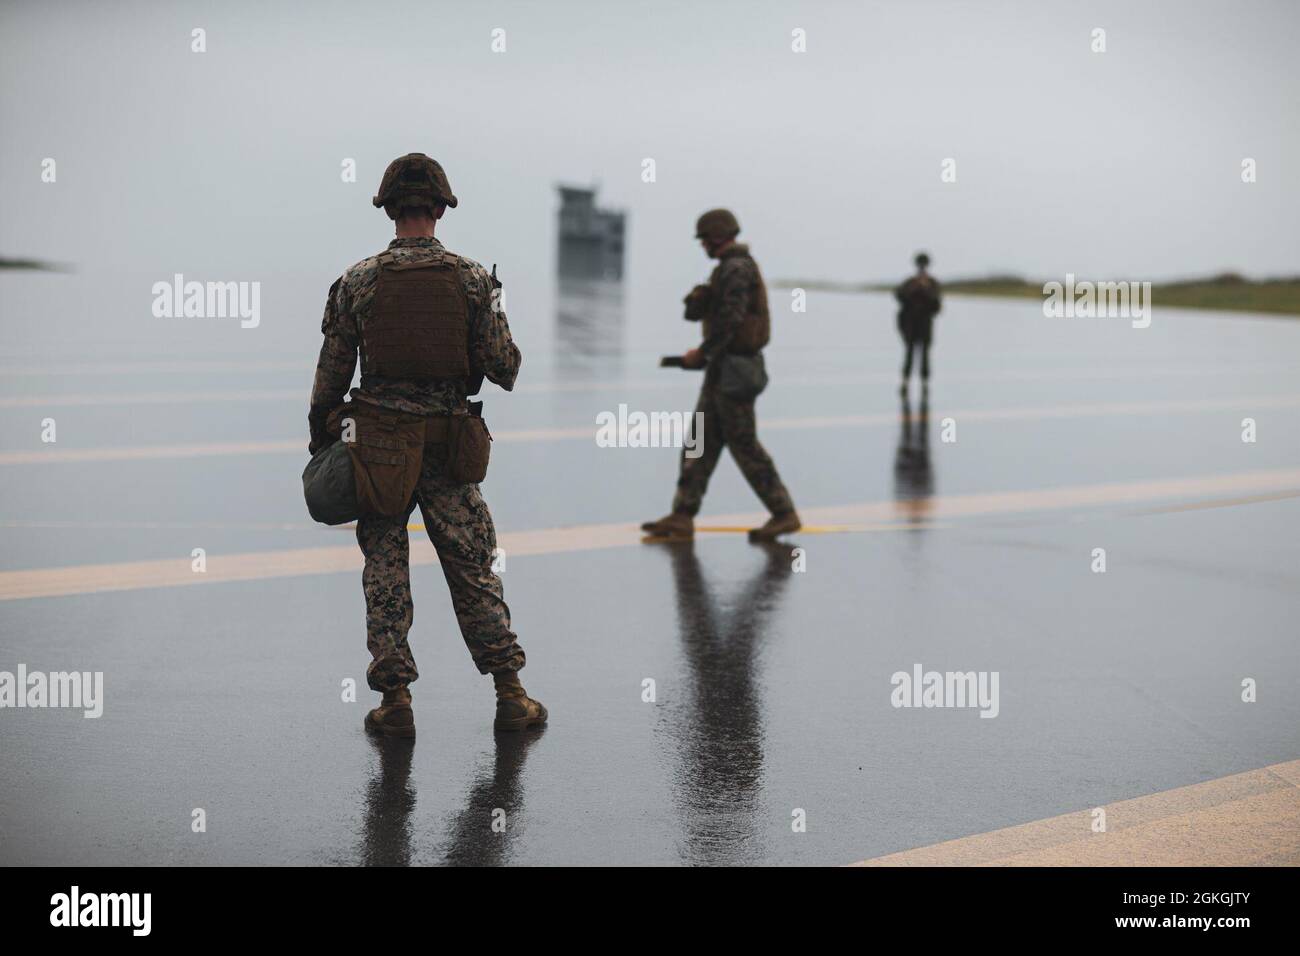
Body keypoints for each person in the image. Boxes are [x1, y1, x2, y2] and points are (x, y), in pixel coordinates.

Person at [307, 152, 546, 736]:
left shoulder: (356, 281)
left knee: (385, 568)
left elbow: (331, 378)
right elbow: (505, 368)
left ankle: (395, 703)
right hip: (448, 447)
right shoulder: (472, 280)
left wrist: (324, 442)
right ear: (441, 208)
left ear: (389, 210)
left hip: (378, 448)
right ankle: (511, 695)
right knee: (471, 568)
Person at [642, 209, 800, 542]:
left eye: (704, 240)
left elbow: (731, 319)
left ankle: (784, 513)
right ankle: (683, 515)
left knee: (744, 445)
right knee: (699, 443)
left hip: (735, 372)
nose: (702, 246)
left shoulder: (737, 269)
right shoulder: (727, 269)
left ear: (716, 236)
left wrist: (703, 352)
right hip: (723, 369)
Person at [895, 252, 942, 394]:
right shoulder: (910, 282)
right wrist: (914, 288)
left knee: (924, 356)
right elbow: (900, 297)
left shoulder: (932, 283)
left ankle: (924, 384)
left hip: (925, 325)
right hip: (911, 325)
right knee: (909, 354)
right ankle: (906, 382)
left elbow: (936, 306)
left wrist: (926, 290)